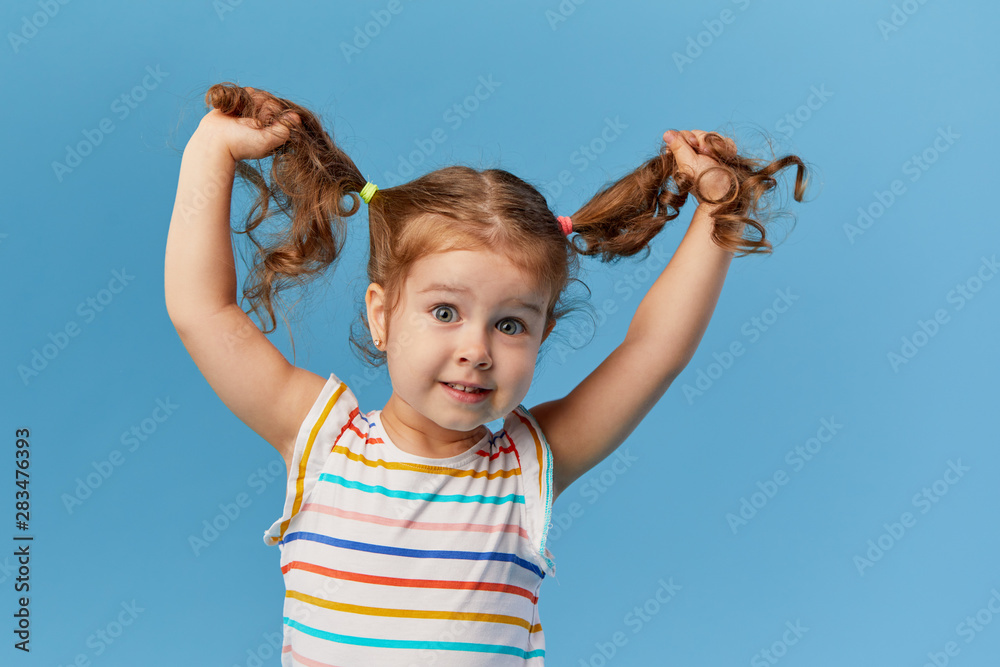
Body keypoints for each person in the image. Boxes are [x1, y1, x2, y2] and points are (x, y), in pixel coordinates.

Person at [164, 83, 807, 666]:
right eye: (445, 311)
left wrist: (716, 210)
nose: (477, 349)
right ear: (382, 315)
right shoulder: (321, 440)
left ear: (543, 334)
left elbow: (652, 352)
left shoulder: (525, 464)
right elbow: (203, 310)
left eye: (510, 324)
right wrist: (213, 149)